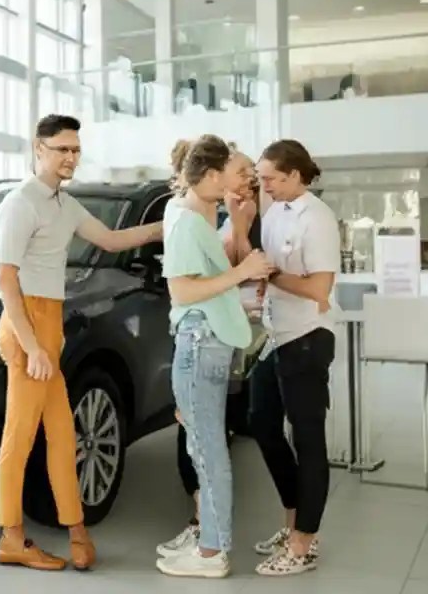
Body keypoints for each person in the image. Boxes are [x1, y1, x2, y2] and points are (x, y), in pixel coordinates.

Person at [0, 114, 163, 572]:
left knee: (63, 436)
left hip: (50, 324)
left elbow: (109, 240)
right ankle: (12, 537)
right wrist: (32, 348)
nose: (71, 157)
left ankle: (76, 531)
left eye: (75, 150)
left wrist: (164, 228)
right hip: (27, 324)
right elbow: (6, 279)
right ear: (38, 148)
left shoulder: (63, 204)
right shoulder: (20, 202)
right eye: (62, 149)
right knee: (20, 436)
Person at [156, 136, 274, 579]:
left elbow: (190, 287)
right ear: (209, 176)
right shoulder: (187, 221)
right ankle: (211, 546)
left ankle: (211, 552)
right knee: (207, 447)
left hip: (201, 340)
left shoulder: (191, 217)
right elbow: (182, 290)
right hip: (204, 337)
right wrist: (242, 273)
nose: (239, 181)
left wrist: (239, 255)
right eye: (231, 172)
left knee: (205, 448)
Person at [249, 139, 340, 577]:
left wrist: (274, 275)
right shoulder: (273, 211)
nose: (262, 183)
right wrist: (273, 283)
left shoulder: (317, 219)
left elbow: (319, 289)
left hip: (307, 336)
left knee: (308, 440)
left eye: (269, 177)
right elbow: (276, 274)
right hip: (276, 334)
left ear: (295, 176)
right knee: (261, 421)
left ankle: (304, 542)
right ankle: (292, 521)